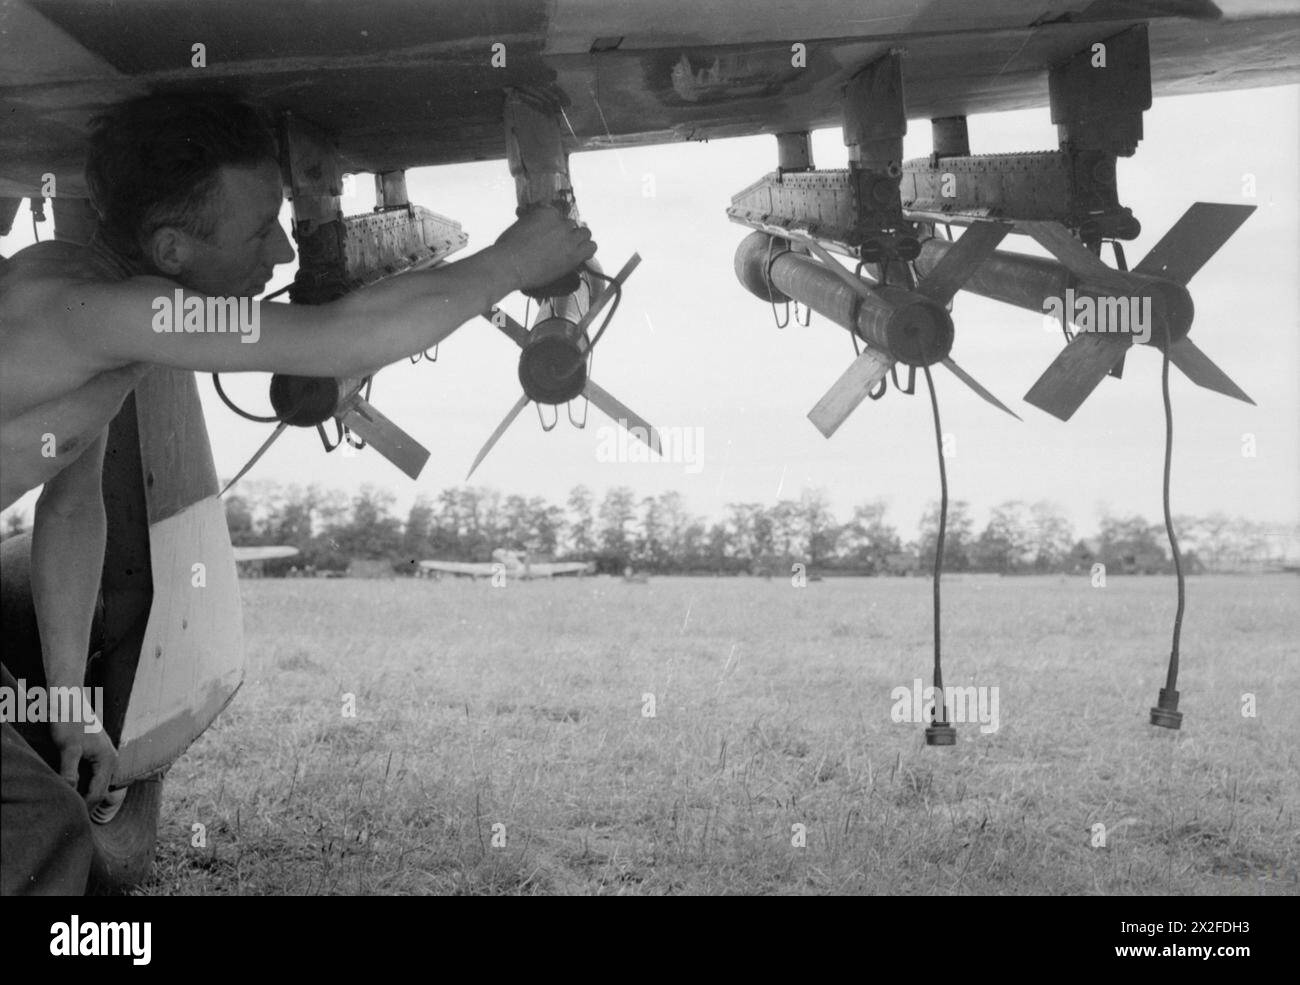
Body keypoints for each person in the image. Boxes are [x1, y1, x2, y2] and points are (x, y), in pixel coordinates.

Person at [0, 92, 595, 894]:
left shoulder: (105, 317)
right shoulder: (101, 311)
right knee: (36, 834)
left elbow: (72, 507)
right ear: (171, 248)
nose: (282, 252)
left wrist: (67, 702)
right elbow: (339, 339)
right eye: (259, 231)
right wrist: (513, 261)